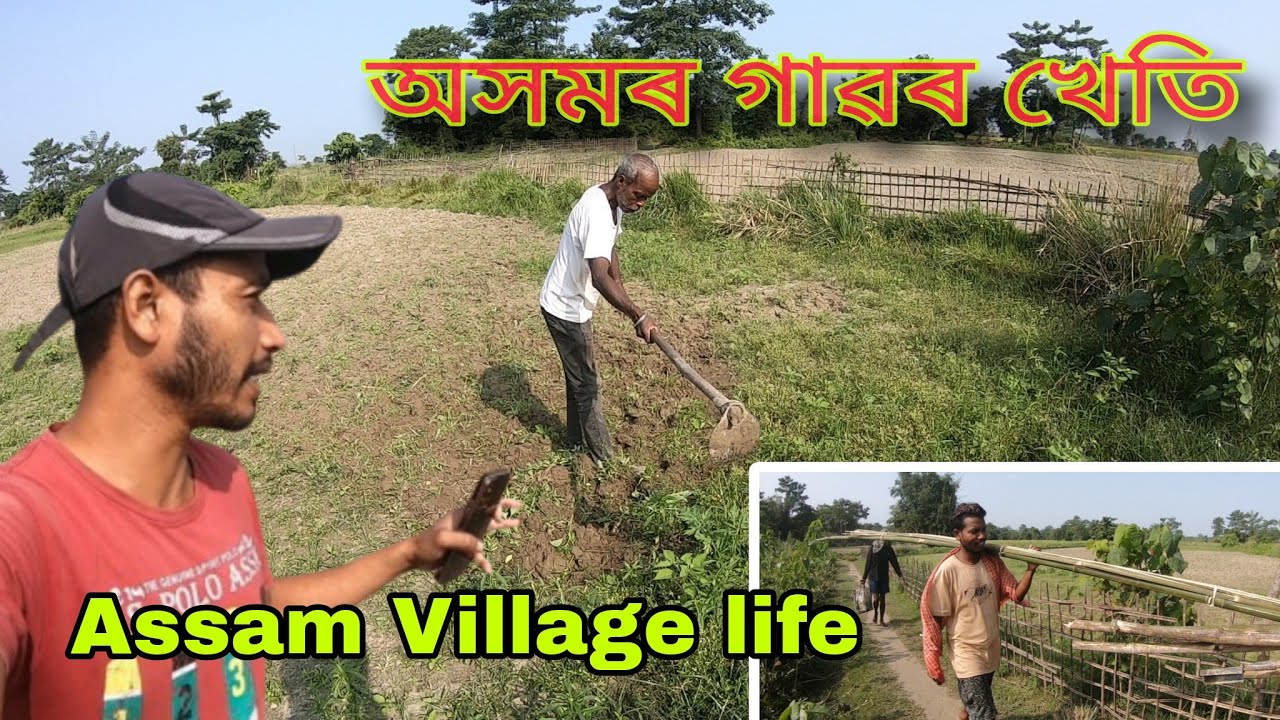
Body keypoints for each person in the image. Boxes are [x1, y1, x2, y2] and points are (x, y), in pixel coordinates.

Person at [0, 173, 522, 718]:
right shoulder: (20, 532)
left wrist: (410, 554)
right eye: (250, 301)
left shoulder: (223, 478)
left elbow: (249, 608)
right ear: (146, 307)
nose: (275, 334)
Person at [539, 153, 661, 470]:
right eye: (639, 195)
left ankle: (575, 440)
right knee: (586, 385)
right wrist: (637, 313)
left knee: (577, 376)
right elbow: (599, 276)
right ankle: (605, 459)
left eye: (647, 199)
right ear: (622, 181)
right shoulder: (596, 210)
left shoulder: (611, 202)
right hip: (565, 308)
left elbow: (609, 250)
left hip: (574, 302)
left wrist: (625, 294)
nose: (641, 204)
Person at [921, 503, 1040, 720]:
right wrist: (935, 650)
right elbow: (936, 621)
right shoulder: (948, 571)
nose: (982, 536)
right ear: (957, 534)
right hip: (966, 652)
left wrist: (1031, 569)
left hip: (991, 647)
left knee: (974, 705)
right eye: (974, 531)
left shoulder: (992, 562)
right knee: (985, 714)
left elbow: (1016, 594)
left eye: (983, 530)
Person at [860, 539, 903, 626]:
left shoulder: (888, 548)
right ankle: (876, 613)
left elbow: (894, 562)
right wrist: (864, 578)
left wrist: (900, 575)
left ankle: (882, 619)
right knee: (876, 598)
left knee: (882, 598)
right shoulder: (872, 547)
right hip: (873, 576)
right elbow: (868, 563)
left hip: (883, 577)